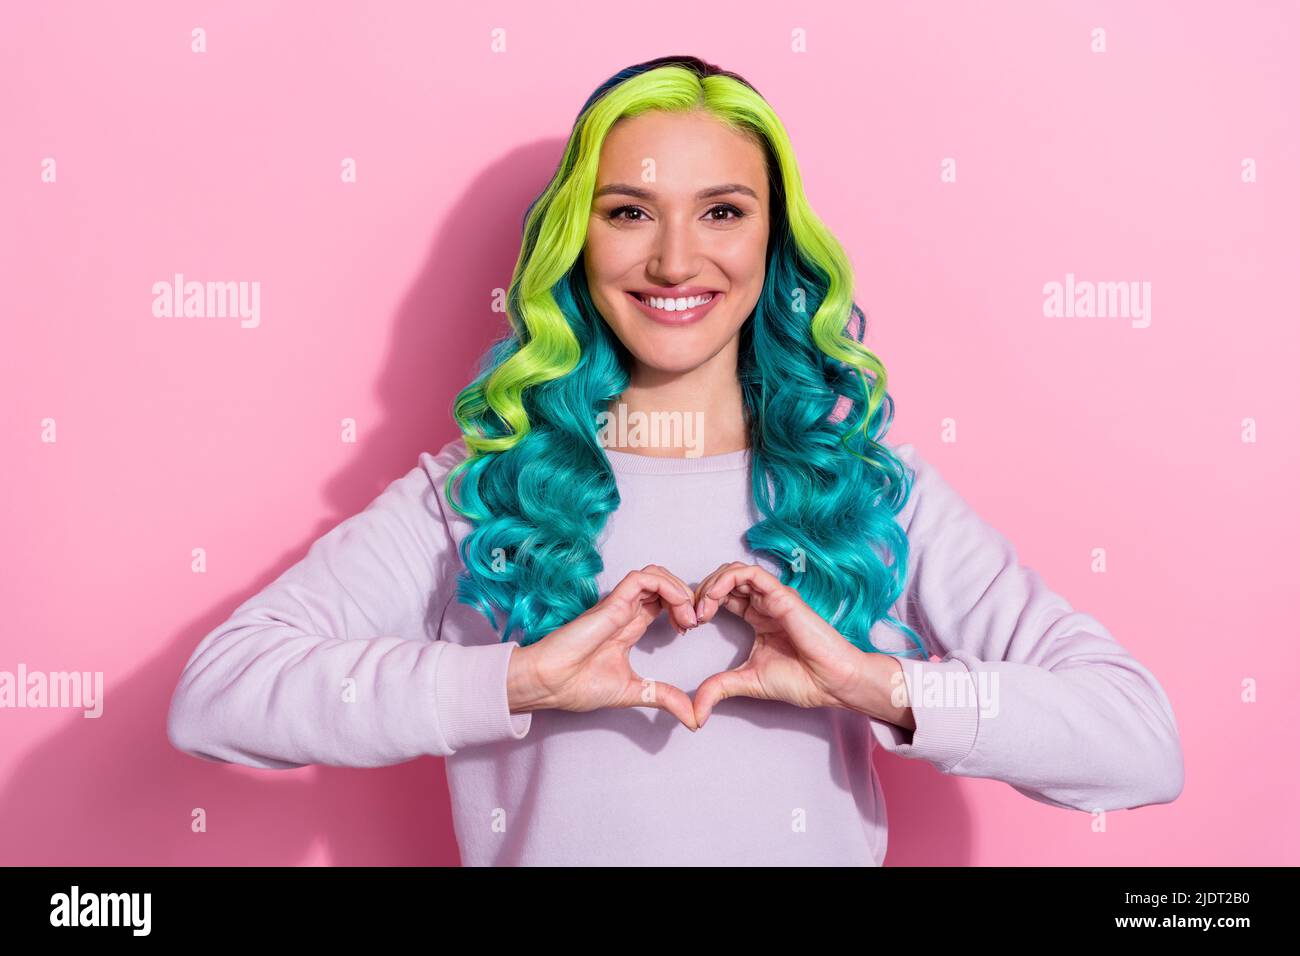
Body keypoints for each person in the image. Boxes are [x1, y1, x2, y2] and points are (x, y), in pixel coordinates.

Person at [167, 55, 1184, 866]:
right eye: (628, 211)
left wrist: (874, 683)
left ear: (772, 242)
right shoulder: (475, 494)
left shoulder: (875, 493)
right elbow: (218, 694)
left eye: (722, 210)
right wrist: (514, 682)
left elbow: (1138, 739)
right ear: (576, 240)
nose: (673, 260)